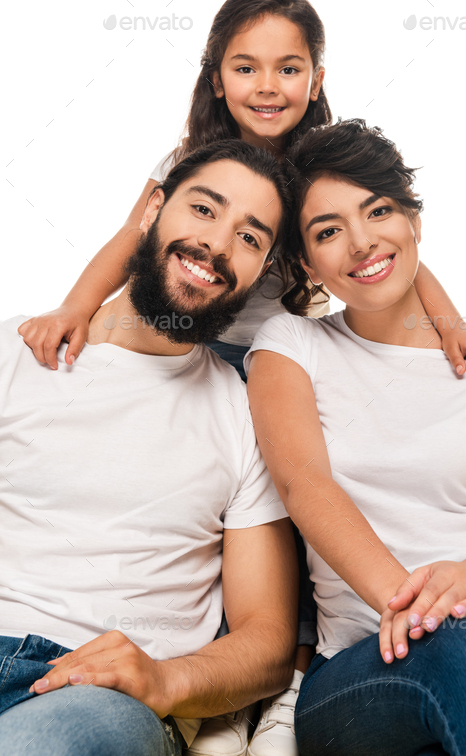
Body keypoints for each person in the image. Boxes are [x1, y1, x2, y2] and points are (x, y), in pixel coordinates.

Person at [16, 0, 466, 756]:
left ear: (316, 78)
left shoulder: (318, 167)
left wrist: (449, 327)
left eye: (289, 69)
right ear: (217, 76)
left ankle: (282, 688)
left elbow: (398, 253)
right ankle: (220, 702)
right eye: (246, 68)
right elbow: (127, 236)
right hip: (191, 345)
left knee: (286, 510)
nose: (268, 87)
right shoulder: (185, 161)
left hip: (272, 358)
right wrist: (74, 309)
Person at [244, 119, 466, 756]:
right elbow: (303, 483)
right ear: (305, 262)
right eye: (327, 231)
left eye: (378, 211)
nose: (360, 241)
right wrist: (416, 606)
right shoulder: (291, 346)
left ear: (414, 221)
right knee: (461, 641)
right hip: (364, 658)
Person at [0, 140, 300, 756]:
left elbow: (267, 640)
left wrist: (166, 680)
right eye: (204, 209)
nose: (217, 245)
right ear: (153, 209)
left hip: (89, 698)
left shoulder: (245, 415)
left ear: (263, 271)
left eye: (250, 238)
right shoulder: (17, 351)